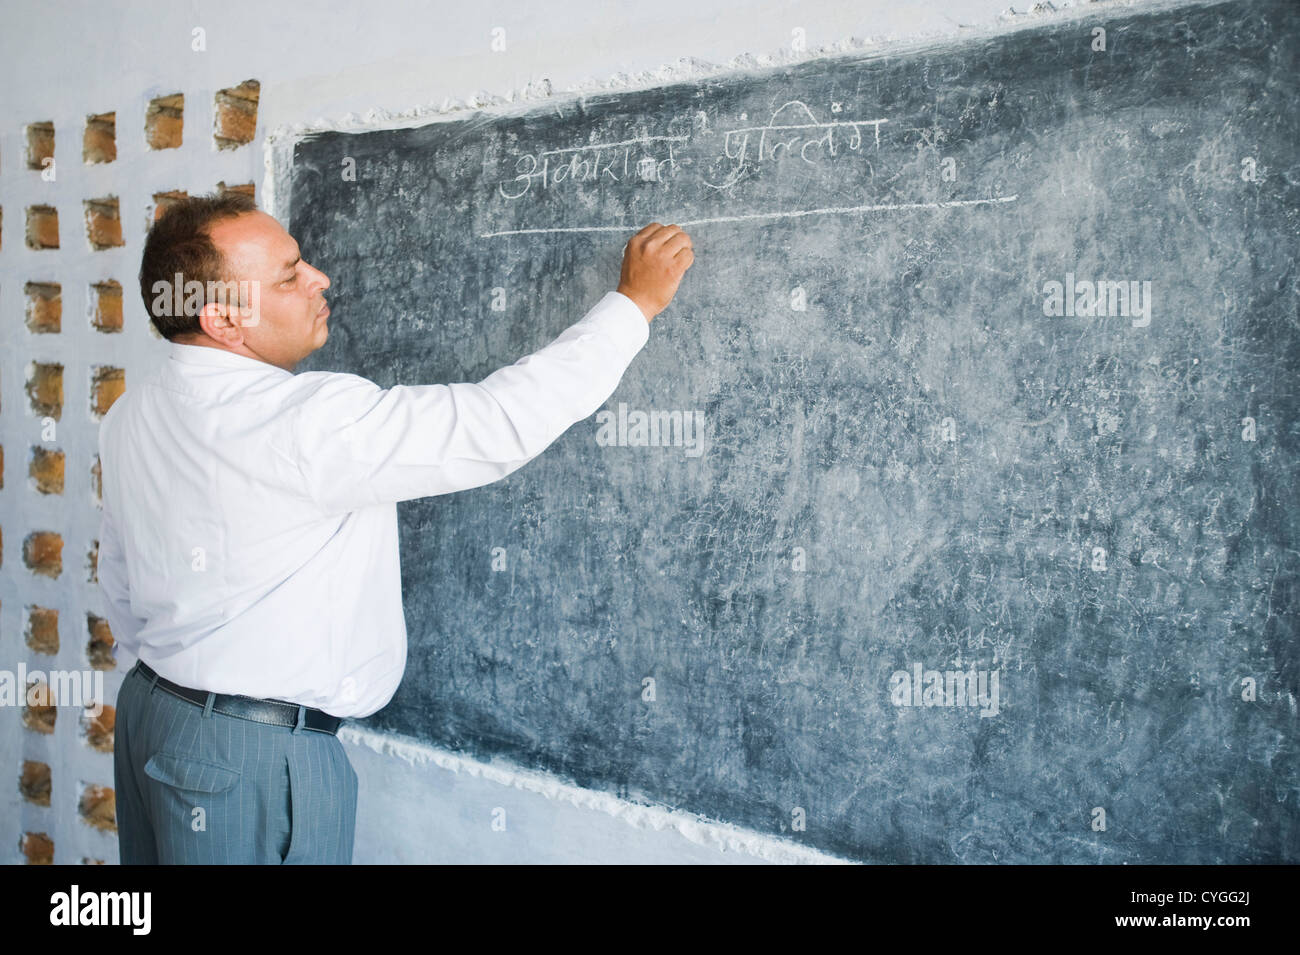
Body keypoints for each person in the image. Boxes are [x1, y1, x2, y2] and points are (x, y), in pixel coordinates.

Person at [99, 192, 693, 863]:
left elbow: (120, 584)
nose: (319, 278)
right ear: (224, 321)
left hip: (152, 715)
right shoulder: (306, 420)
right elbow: (496, 422)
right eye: (290, 276)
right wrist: (632, 306)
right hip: (251, 759)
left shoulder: (130, 412)